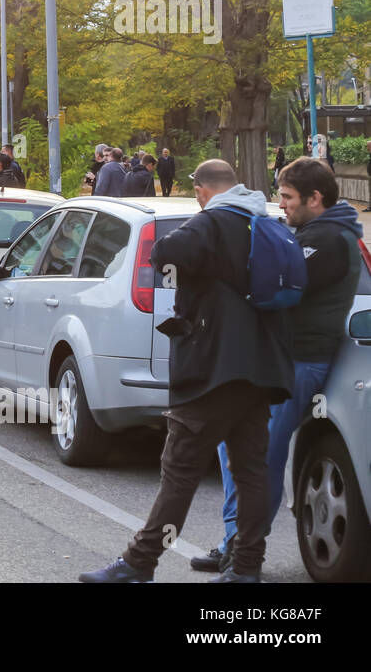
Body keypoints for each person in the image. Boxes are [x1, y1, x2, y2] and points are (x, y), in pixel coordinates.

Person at [80, 160, 293, 583]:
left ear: (201, 189)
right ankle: (246, 568)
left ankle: (139, 564)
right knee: (250, 470)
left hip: (212, 367)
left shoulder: (212, 220)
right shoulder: (262, 222)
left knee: (179, 469)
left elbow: (164, 253)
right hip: (259, 367)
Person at [195, 157, 362, 575]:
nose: (281, 205)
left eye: (287, 198)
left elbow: (274, 286)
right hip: (276, 360)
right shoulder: (311, 232)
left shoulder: (329, 239)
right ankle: (233, 540)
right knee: (235, 447)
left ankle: (245, 555)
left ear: (314, 198)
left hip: (299, 362)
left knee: (259, 459)